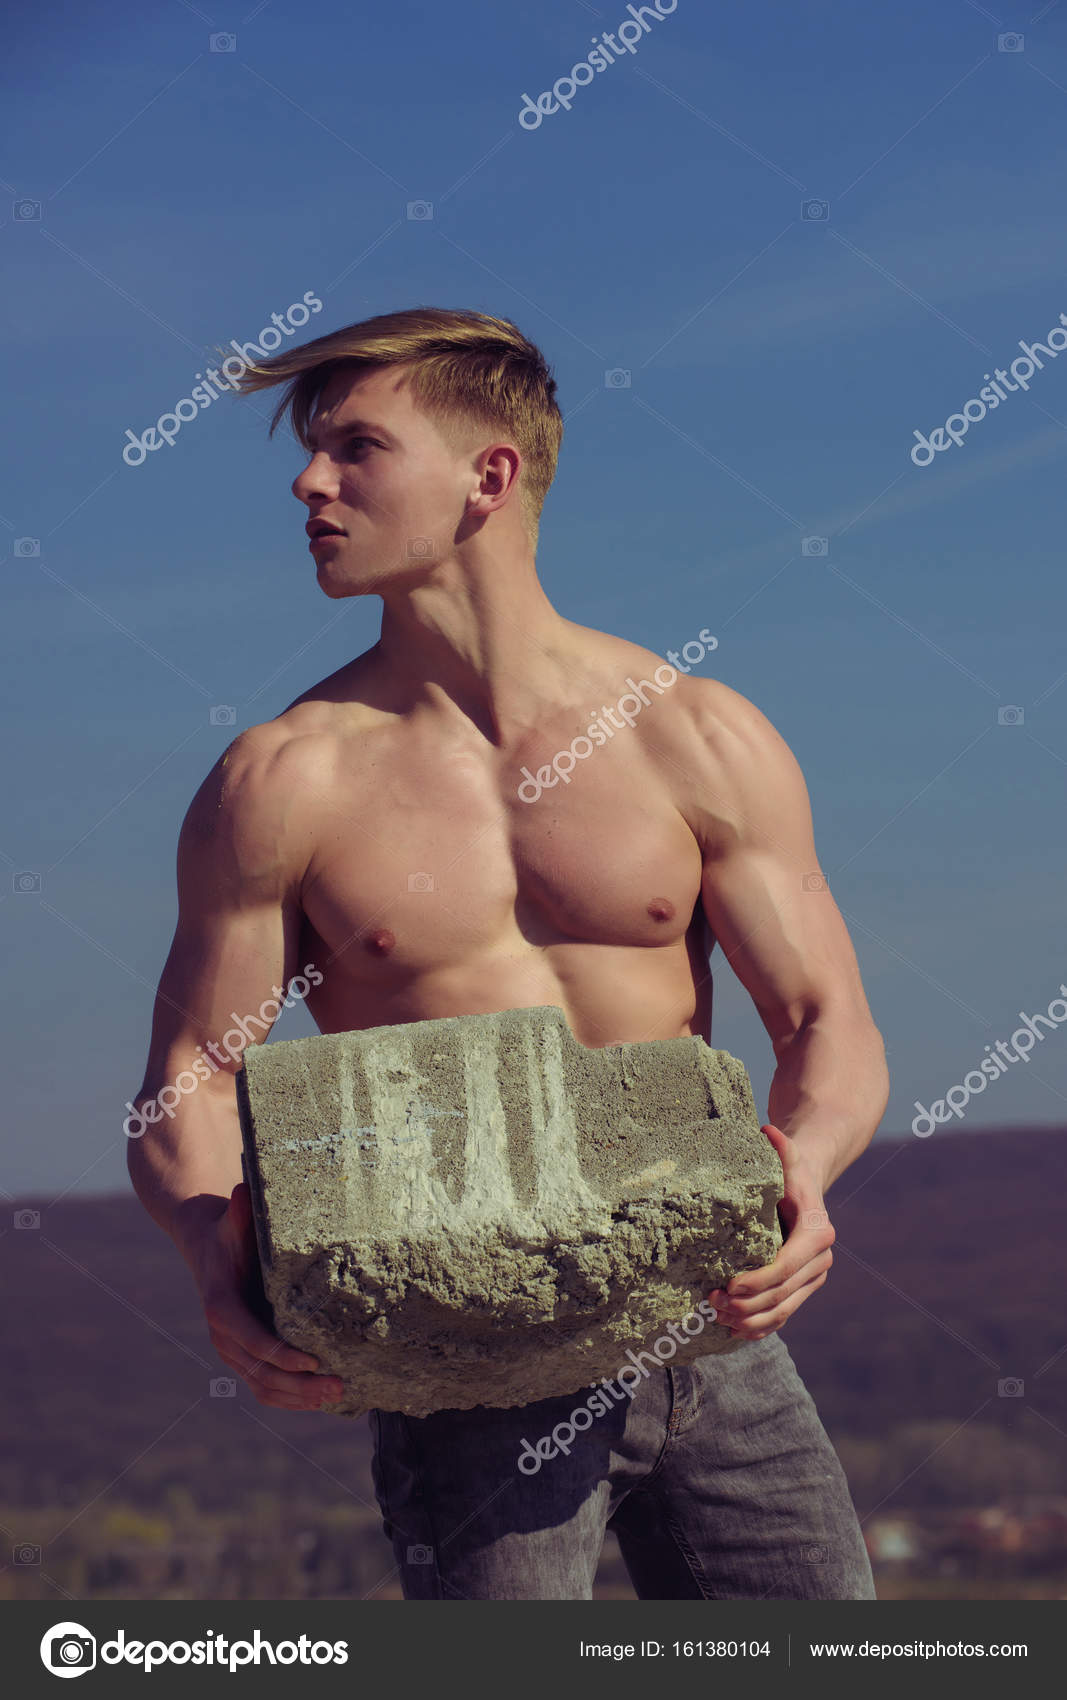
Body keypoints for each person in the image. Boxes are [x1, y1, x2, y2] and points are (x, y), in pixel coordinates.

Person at [127, 306, 889, 1600]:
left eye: (357, 447)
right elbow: (191, 1081)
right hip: (459, 1358)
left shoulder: (693, 735)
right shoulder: (282, 780)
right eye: (311, 453)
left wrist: (804, 1178)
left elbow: (827, 1018)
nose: (310, 483)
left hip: (714, 1332)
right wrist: (216, 1264)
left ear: (489, 477)